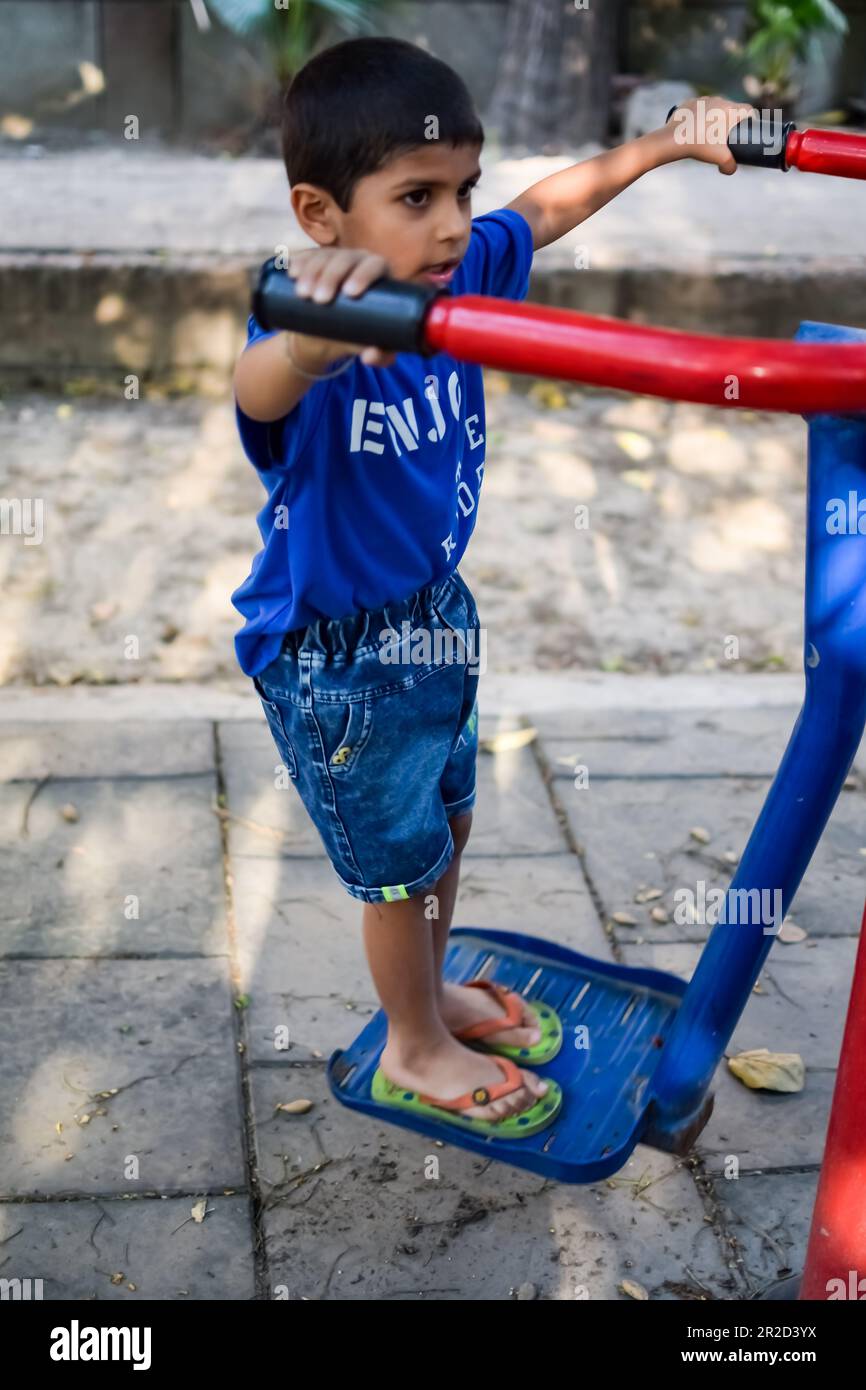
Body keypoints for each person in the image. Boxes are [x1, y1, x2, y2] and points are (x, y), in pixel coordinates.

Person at [232, 35, 751, 1135]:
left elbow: (547, 209)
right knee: (394, 867)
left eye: (460, 190)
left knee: (450, 825)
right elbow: (261, 387)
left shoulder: (457, 269)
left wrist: (658, 144)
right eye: (415, 196)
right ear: (321, 214)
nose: (453, 222)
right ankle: (412, 1045)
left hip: (432, 617)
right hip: (336, 655)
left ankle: (433, 996)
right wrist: (317, 342)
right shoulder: (307, 312)